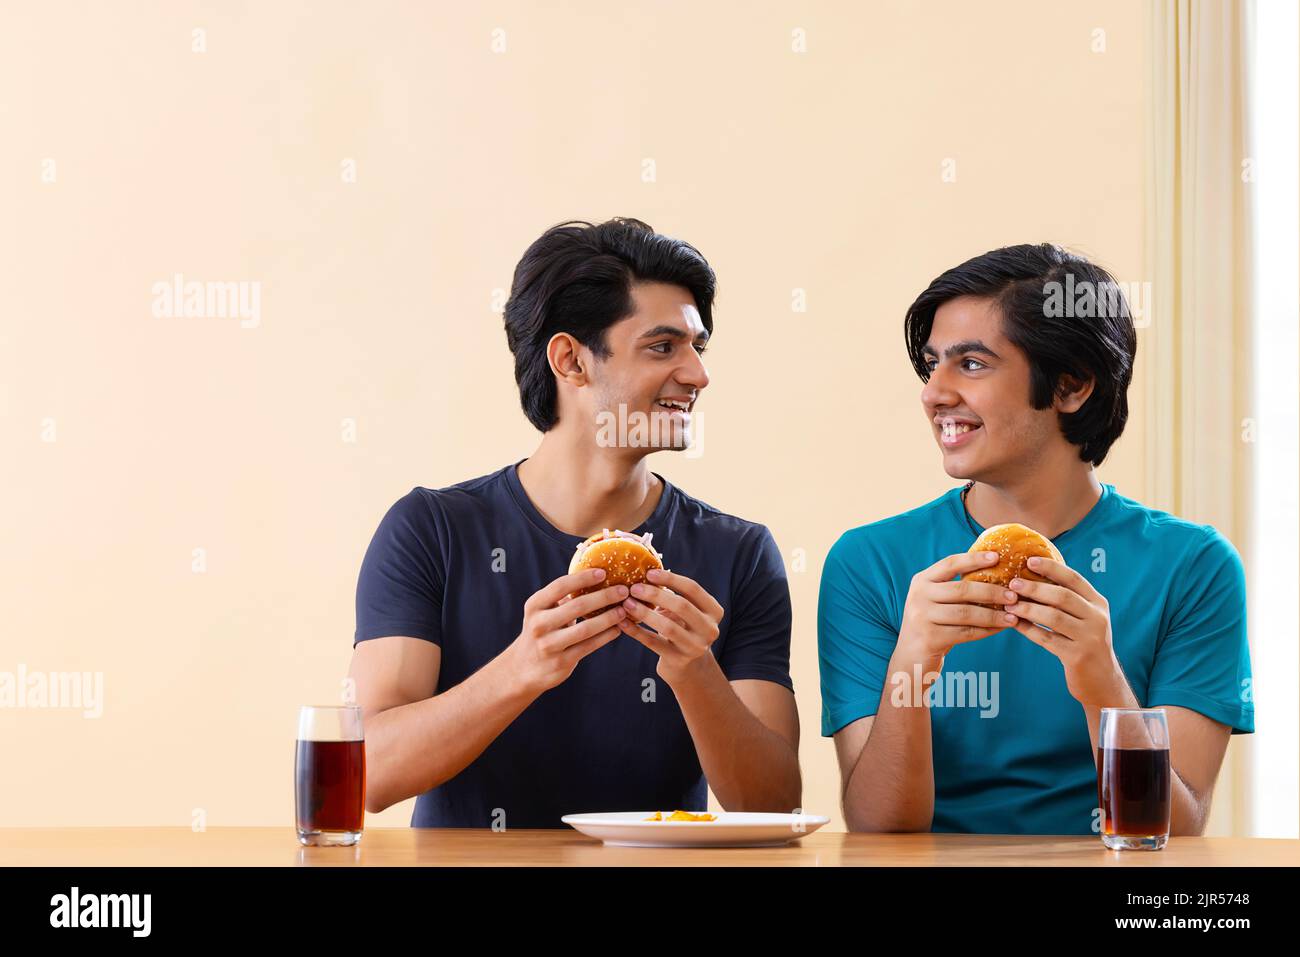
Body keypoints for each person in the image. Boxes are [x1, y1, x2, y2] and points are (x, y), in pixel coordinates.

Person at [349, 217, 801, 827]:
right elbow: (369, 774)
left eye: (698, 348)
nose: (698, 375)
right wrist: (523, 668)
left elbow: (774, 804)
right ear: (571, 360)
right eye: (663, 347)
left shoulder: (739, 552)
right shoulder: (431, 530)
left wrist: (695, 670)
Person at [818, 244, 1254, 834]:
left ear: (1071, 388)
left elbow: (1172, 831)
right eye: (931, 364)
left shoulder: (1193, 566)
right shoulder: (868, 562)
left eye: (971, 363)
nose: (933, 392)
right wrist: (912, 663)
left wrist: (1100, 676)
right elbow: (879, 829)